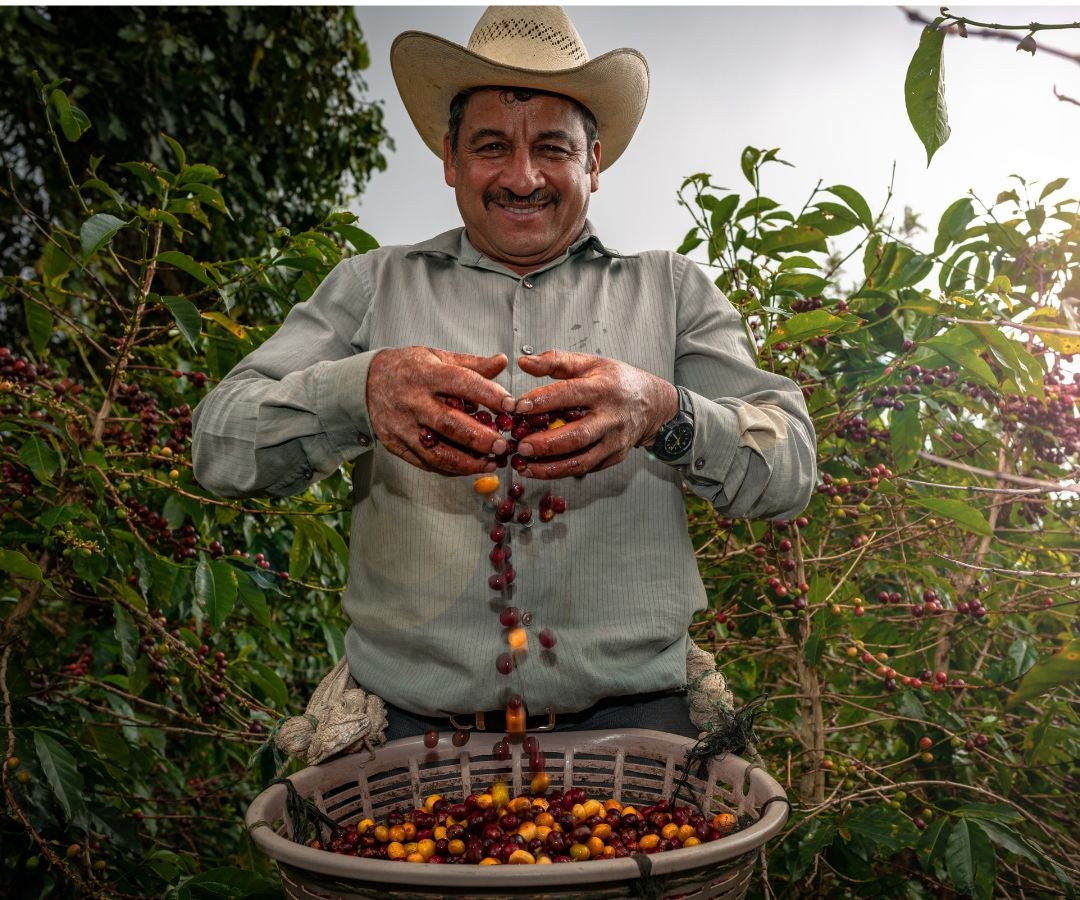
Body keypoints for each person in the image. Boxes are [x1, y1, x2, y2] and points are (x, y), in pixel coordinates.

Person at [192, 6, 816, 748]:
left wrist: (663, 411)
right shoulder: (371, 287)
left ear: (594, 163)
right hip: (412, 733)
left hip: (638, 724)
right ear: (451, 160)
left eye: (552, 148)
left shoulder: (672, 292)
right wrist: (360, 391)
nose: (522, 177)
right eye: (492, 147)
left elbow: (790, 469)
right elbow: (219, 444)